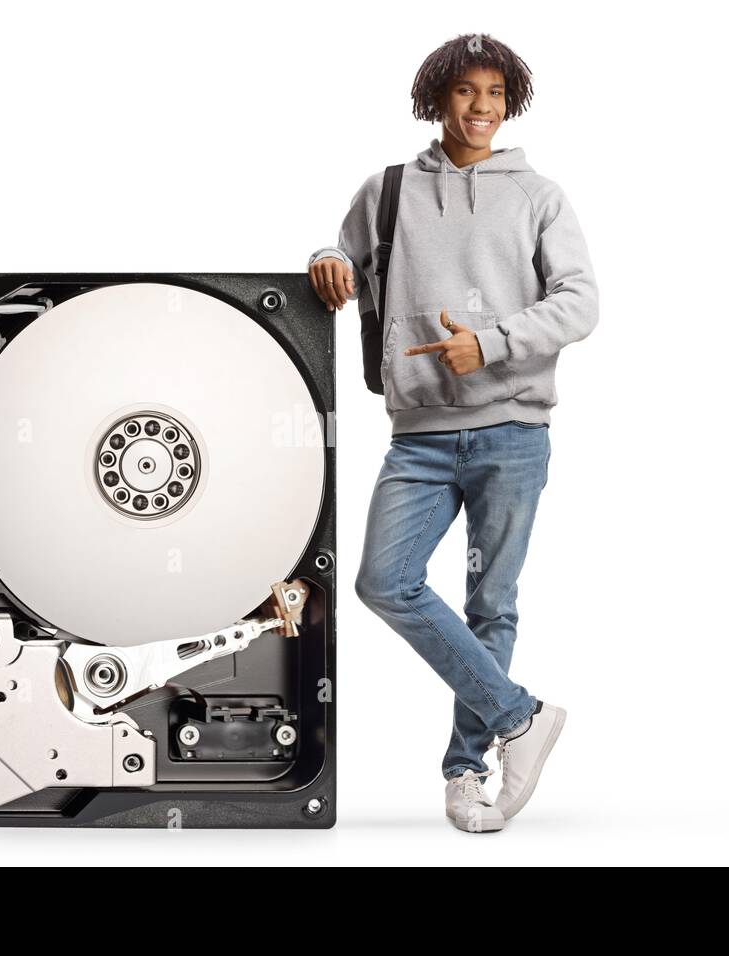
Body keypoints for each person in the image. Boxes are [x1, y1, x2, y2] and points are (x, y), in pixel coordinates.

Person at [307, 32, 599, 832]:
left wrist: (492, 343)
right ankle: (521, 717)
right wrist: (326, 258)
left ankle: (469, 773)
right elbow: (344, 253)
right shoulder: (391, 190)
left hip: (511, 431)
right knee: (381, 580)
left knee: (490, 605)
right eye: (466, 92)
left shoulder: (538, 195)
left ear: (511, 104)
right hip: (421, 436)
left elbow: (580, 303)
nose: (481, 108)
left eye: (495, 94)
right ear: (436, 98)